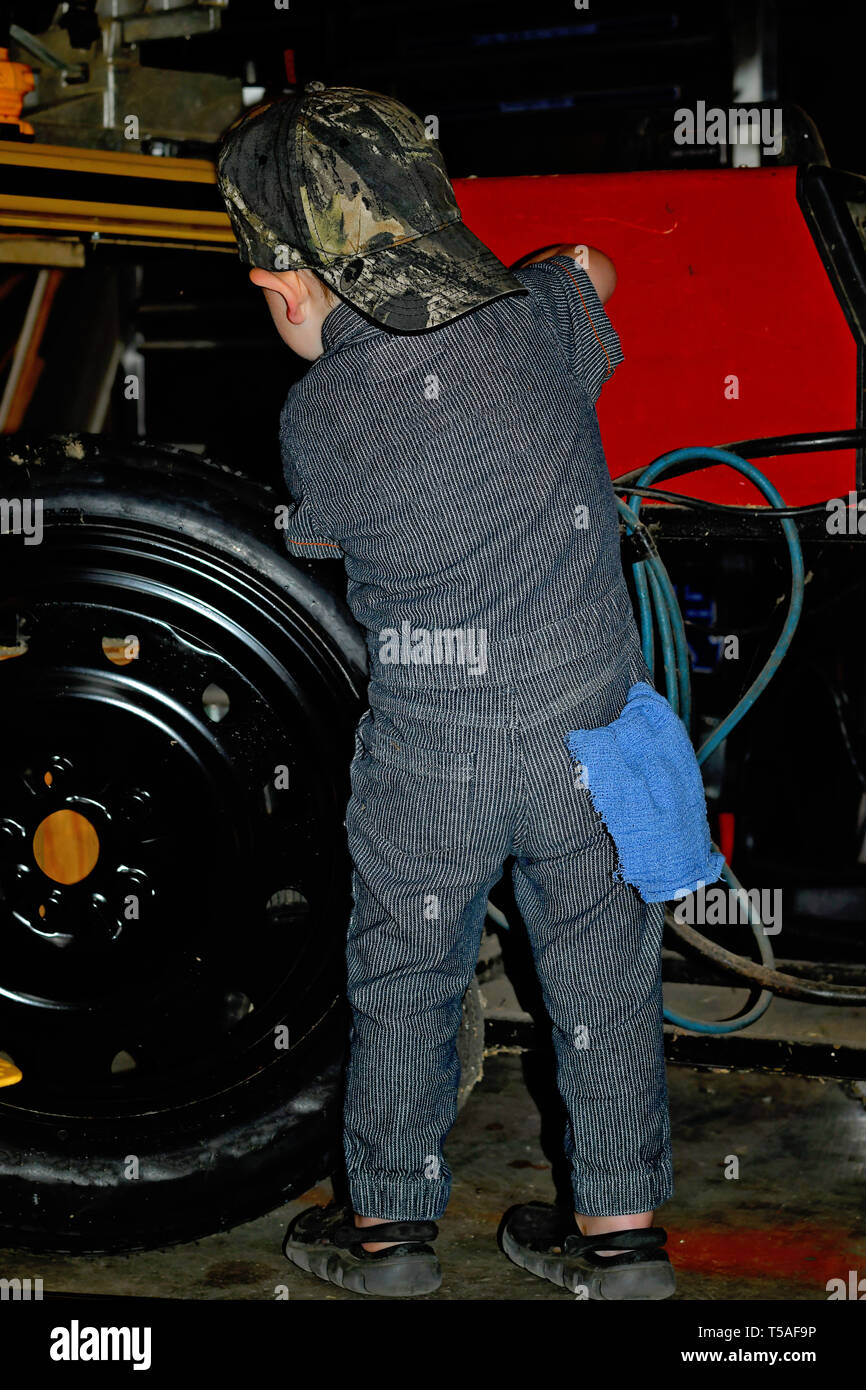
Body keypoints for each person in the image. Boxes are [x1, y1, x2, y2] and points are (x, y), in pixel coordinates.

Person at [216, 82, 676, 1300]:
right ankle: (622, 1245)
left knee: (407, 984)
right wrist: (545, 267)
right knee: (600, 982)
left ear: (282, 289)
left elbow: (327, 541)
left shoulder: (319, 417)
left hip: (434, 758)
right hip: (584, 740)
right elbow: (594, 270)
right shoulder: (537, 320)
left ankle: (388, 1243)